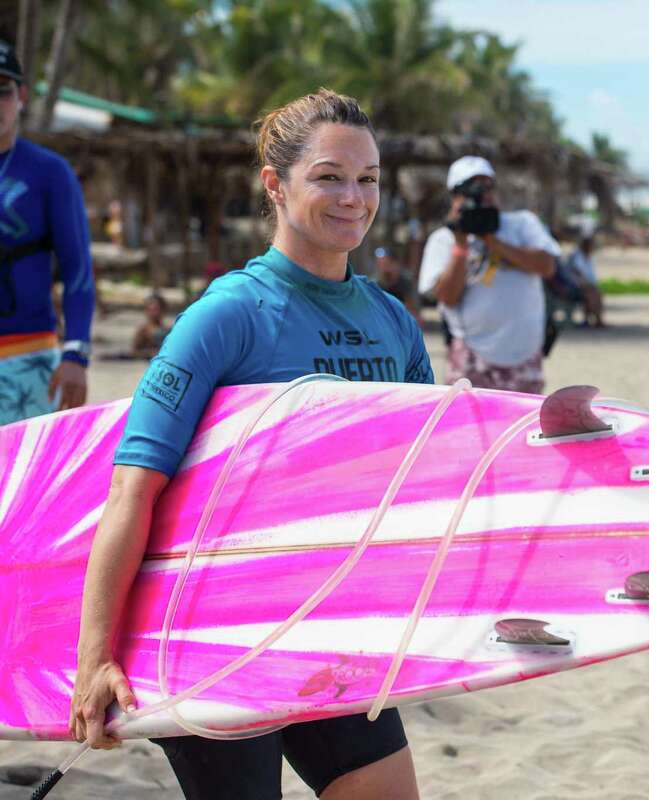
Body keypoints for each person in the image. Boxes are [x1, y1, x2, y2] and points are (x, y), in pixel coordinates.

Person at [70, 89, 431, 799]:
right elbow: (132, 488)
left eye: (369, 179)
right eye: (329, 176)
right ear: (276, 183)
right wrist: (95, 658)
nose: (354, 197)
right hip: (210, 630)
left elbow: (416, 481)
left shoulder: (395, 324)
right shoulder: (228, 315)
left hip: (330, 626)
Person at [0, 39, 94, 426]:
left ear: (21, 95)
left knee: (21, 485)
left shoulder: (49, 172)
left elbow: (78, 270)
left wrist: (75, 354)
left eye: (2, 92)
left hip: (30, 359)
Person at [418, 156, 560, 393]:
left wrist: (494, 242)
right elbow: (447, 297)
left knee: (523, 427)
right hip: (470, 357)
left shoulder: (522, 224)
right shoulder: (443, 240)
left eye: (488, 186)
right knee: (468, 429)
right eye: (472, 187)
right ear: (455, 196)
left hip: (524, 355)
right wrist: (461, 244)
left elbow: (547, 266)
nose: (483, 194)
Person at [563, 236, 605, 328]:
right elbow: (577, 273)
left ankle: (594, 319)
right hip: (573, 286)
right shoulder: (576, 256)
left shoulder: (589, 257)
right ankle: (596, 320)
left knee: (595, 293)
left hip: (585, 285)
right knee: (592, 293)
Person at [130, 292, 171, 359]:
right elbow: (134, 352)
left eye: (156, 309)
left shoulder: (169, 331)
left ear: (163, 310)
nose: (153, 313)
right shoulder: (143, 331)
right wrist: (149, 353)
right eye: (150, 310)